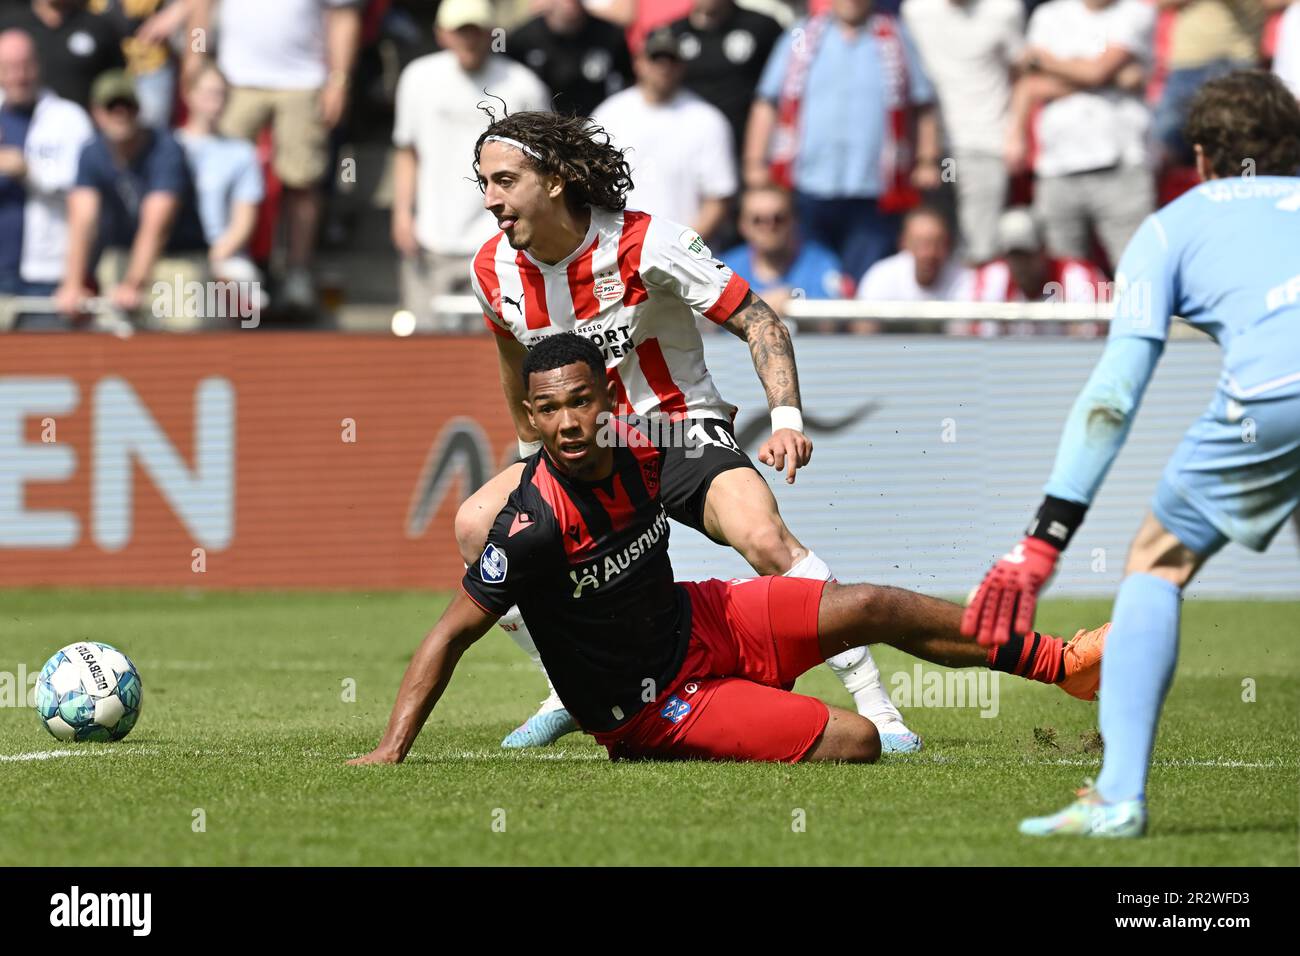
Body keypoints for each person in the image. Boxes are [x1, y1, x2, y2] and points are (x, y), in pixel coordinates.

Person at [349, 333, 1108, 766]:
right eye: (549, 410)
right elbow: (450, 633)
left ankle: (1062, 665)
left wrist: (764, 439)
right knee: (859, 742)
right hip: (651, 708)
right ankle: (712, 726)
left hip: (705, 618)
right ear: (532, 417)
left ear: (610, 400)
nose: (569, 423)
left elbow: (717, 467)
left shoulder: (645, 447)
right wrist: (391, 750)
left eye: (582, 401)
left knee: (871, 603)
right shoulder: (532, 527)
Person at [462, 109, 921, 753]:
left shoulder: (649, 243)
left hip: (677, 430)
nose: (491, 200)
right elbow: (517, 368)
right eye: (484, 184)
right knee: (474, 523)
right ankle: (566, 688)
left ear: (556, 180)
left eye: (504, 181)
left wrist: (786, 418)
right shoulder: (491, 271)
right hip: (581, 454)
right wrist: (531, 461)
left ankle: (882, 710)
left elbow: (761, 321)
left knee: (764, 539)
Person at [963, 71, 1300, 837]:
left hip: (1280, 389)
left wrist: (1044, 539)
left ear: (1205, 155)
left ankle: (1117, 798)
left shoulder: (1171, 226)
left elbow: (1115, 392)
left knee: (1158, 561)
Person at [745, 0, 942, 281]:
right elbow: (767, 102)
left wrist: (927, 160)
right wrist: (754, 163)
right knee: (812, 279)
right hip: (807, 187)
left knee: (863, 283)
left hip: (874, 191)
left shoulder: (896, 37)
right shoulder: (802, 35)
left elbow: (923, 104)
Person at [186, 0, 362, 310]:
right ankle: (226, 263)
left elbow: (344, 15)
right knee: (223, 174)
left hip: (303, 80)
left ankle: (297, 272)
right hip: (234, 80)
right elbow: (202, 6)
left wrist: (339, 80)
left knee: (302, 179)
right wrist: (195, 56)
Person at [391, 0, 549, 332]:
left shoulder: (524, 86)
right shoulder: (418, 79)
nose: (469, 40)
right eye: (460, 31)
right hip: (431, 237)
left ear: (491, 34)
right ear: (442, 34)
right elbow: (407, 151)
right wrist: (402, 214)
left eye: (475, 31)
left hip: (499, 240)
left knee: (495, 344)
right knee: (424, 343)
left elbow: (541, 164)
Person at [1007, 0, 1156, 269]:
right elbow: (1030, 85)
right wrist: (1106, 77)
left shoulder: (1137, 11)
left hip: (1121, 166)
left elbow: (1095, 71)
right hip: (1057, 168)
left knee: (1135, 269)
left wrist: (1048, 64)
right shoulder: (1048, 14)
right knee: (1064, 275)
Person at [55, 69, 207, 328]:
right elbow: (83, 219)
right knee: (111, 331)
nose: (120, 114)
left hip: (178, 258)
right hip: (121, 255)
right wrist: (72, 284)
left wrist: (133, 284)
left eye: (127, 105)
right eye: (111, 106)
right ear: (97, 112)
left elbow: (157, 224)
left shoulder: (166, 149)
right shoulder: (92, 153)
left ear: (138, 109)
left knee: (183, 329)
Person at [901, 0, 1025, 264]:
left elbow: (1020, 74)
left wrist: (1015, 133)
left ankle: (982, 302)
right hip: (937, 154)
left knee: (982, 248)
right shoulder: (915, 11)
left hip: (986, 145)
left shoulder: (1005, 10)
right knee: (936, 244)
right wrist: (924, 154)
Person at [591, 28, 735, 246]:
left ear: (682, 66)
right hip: (618, 250)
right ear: (638, 63)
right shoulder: (608, 116)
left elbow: (718, 198)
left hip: (686, 256)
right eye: (656, 59)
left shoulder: (707, 120)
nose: (664, 67)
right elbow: (589, 184)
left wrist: (683, 248)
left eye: (671, 60)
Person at [0, 28, 93, 316]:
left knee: (45, 360)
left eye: (25, 66)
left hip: (47, 276)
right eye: (8, 68)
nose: (19, 76)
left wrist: (28, 171)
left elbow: (86, 197)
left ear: (38, 65)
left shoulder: (69, 119)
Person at [668, 0, 784, 173]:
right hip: (685, 156)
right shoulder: (671, 34)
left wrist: (757, 161)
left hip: (742, 156)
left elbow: (783, 91)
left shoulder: (762, 28)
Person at [176, 61, 264, 288]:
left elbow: (243, 221)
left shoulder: (242, 152)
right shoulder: (168, 147)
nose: (214, 102)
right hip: (175, 252)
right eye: (208, 93)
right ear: (188, 94)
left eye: (221, 94)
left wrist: (214, 257)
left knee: (244, 290)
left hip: (223, 255)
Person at [719, 184, 848, 317]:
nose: (769, 227)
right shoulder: (725, 269)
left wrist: (794, 300)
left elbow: (832, 323)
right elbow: (706, 325)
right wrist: (756, 306)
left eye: (778, 219)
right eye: (758, 220)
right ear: (742, 225)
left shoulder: (821, 264)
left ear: (794, 221)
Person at [506, 0, 632, 118]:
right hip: (540, 124)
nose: (568, 5)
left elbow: (629, 80)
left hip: (595, 123)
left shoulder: (609, 35)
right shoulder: (523, 39)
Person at [0, 0, 124, 109]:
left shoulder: (99, 28)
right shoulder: (9, 26)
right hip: (18, 128)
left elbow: (117, 84)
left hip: (84, 129)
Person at [855, 206, 973, 301]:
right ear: (903, 244)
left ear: (949, 245)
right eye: (921, 244)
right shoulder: (881, 277)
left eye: (938, 243)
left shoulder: (965, 280)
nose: (929, 253)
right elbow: (864, 327)